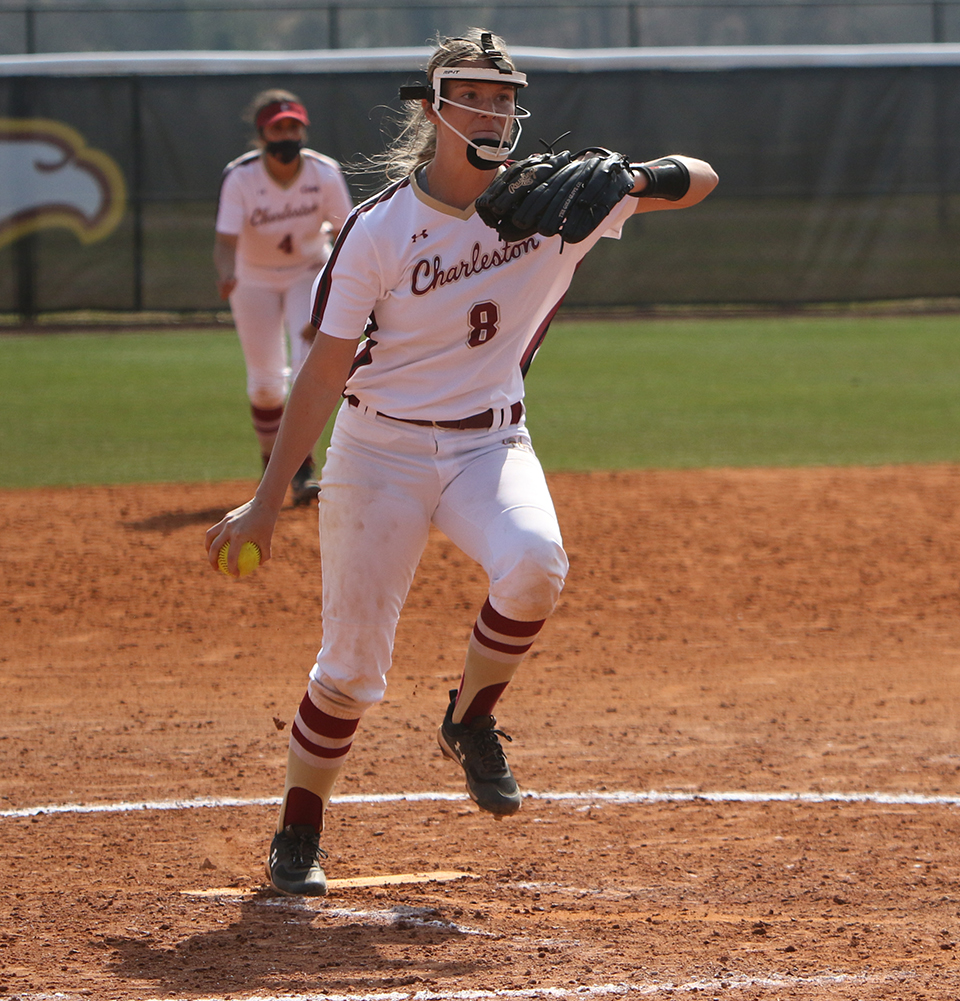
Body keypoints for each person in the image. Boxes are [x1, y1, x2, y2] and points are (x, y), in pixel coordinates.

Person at [206, 30, 717, 896]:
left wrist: (631, 177)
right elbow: (322, 371)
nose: (491, 111)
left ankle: (470, 718)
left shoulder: (559, 203)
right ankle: (299, 828)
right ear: (435, 110)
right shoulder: (380, 229)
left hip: (491, 442)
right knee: (351, 668)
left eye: (504, 97)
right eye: (472, 96)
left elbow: (702, 179)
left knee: (536, 563)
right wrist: (266, 498)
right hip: (379, 450)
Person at [214, 89, 354, 505]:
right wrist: (225, 272)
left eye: (294, 127)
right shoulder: (241, 177)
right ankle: (270, 460)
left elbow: (347, 236)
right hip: (252, 278)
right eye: (278, 128)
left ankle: (301, 469)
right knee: (264, 384)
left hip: (308, 272)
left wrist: (330, 297)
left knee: (307, 370)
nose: (287, 135)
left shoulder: (323, 173)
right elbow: (225, 241)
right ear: (262, 134)